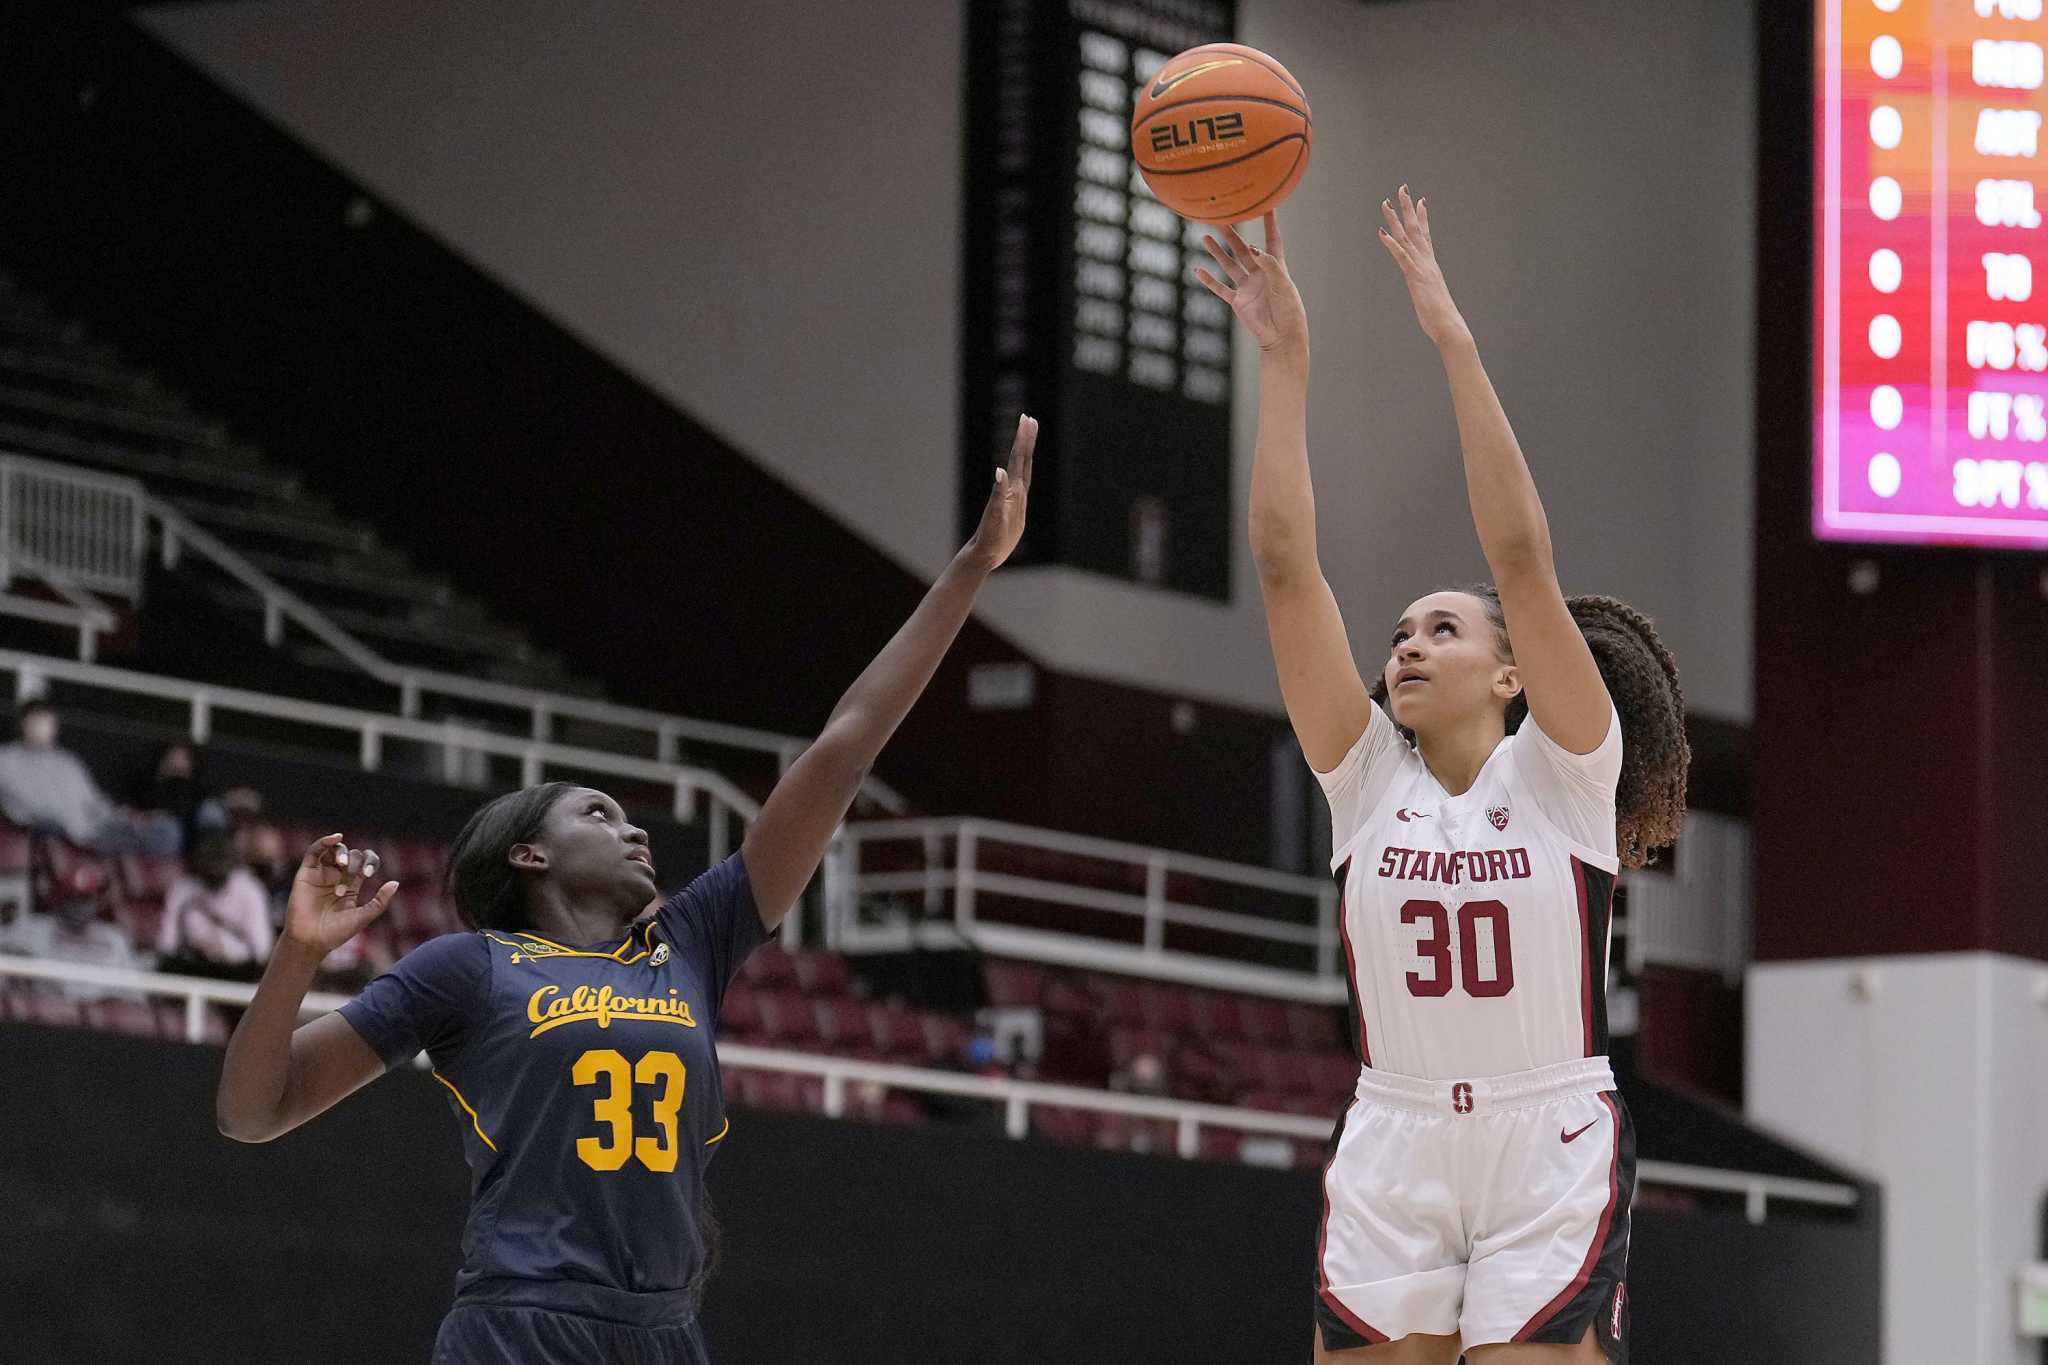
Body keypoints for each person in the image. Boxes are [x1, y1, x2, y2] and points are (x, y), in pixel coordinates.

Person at [213, 416, 1037, 1364]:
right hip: (519, 1326)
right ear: (528, 855)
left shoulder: (692, 939)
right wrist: (299, 955)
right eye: (598, 814)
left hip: (662, 1334)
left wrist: (972, 565)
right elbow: (252, 1110)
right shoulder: (470, 969)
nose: (636, 827)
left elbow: (844, 747)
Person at [1197, 194, 1687, 1364]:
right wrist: (1285, 362)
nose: (1405, 645)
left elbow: (1519, 556)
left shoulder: (1569, 770)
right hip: (1395, 1138)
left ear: (1511, 669)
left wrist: (1447, 336)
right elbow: (1281, 566)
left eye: (1441, 630)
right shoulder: (1364, 782)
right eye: (1398, 632)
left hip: (1546, 1136)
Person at [0, 699, 181, 853]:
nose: (43, 728)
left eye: (48, 723)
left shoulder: (67, 762)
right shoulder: (6, 760)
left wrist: (129, 816)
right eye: (37, 722)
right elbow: (20, 810)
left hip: (93, 834)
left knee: (166, 828)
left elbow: (95, 803)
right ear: (23, 724)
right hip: (56, 838)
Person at [157, 828, 274, 980]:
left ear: (232, 862)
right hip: (195, 967)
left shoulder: (250, 889)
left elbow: (261, 950)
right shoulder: (184, 889)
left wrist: (225, 949)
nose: (215, 868)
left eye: (220, 862)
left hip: (236, 969)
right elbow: (167, 944)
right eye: (210, 862)